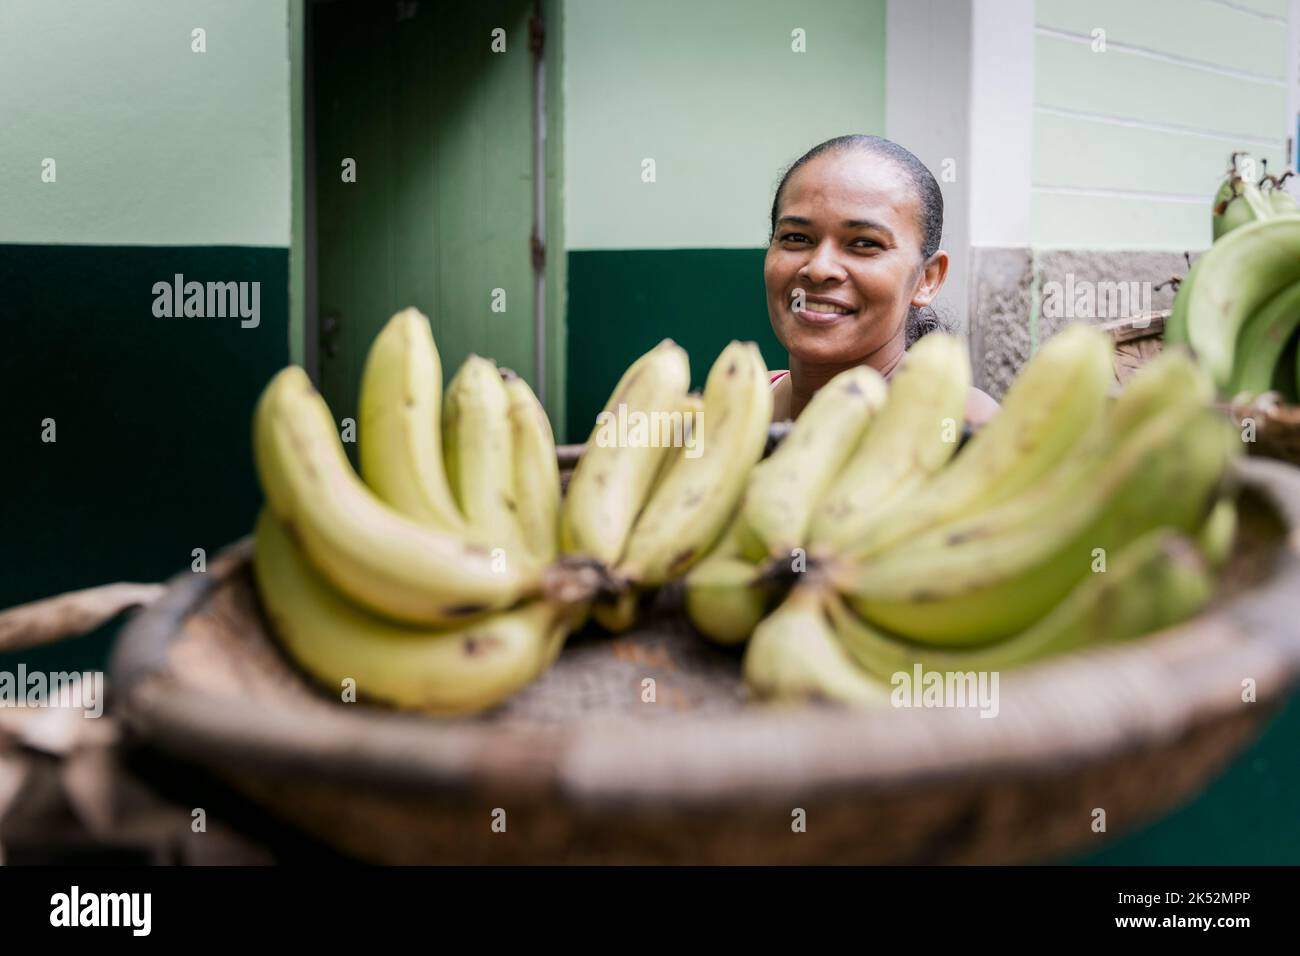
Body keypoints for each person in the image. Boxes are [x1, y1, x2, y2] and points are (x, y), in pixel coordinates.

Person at [765, 135, 999, 425]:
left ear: (927, 278)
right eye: (796, 238)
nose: (819, 269)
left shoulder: (964, 426)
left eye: (864, 243)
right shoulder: (720, 413)